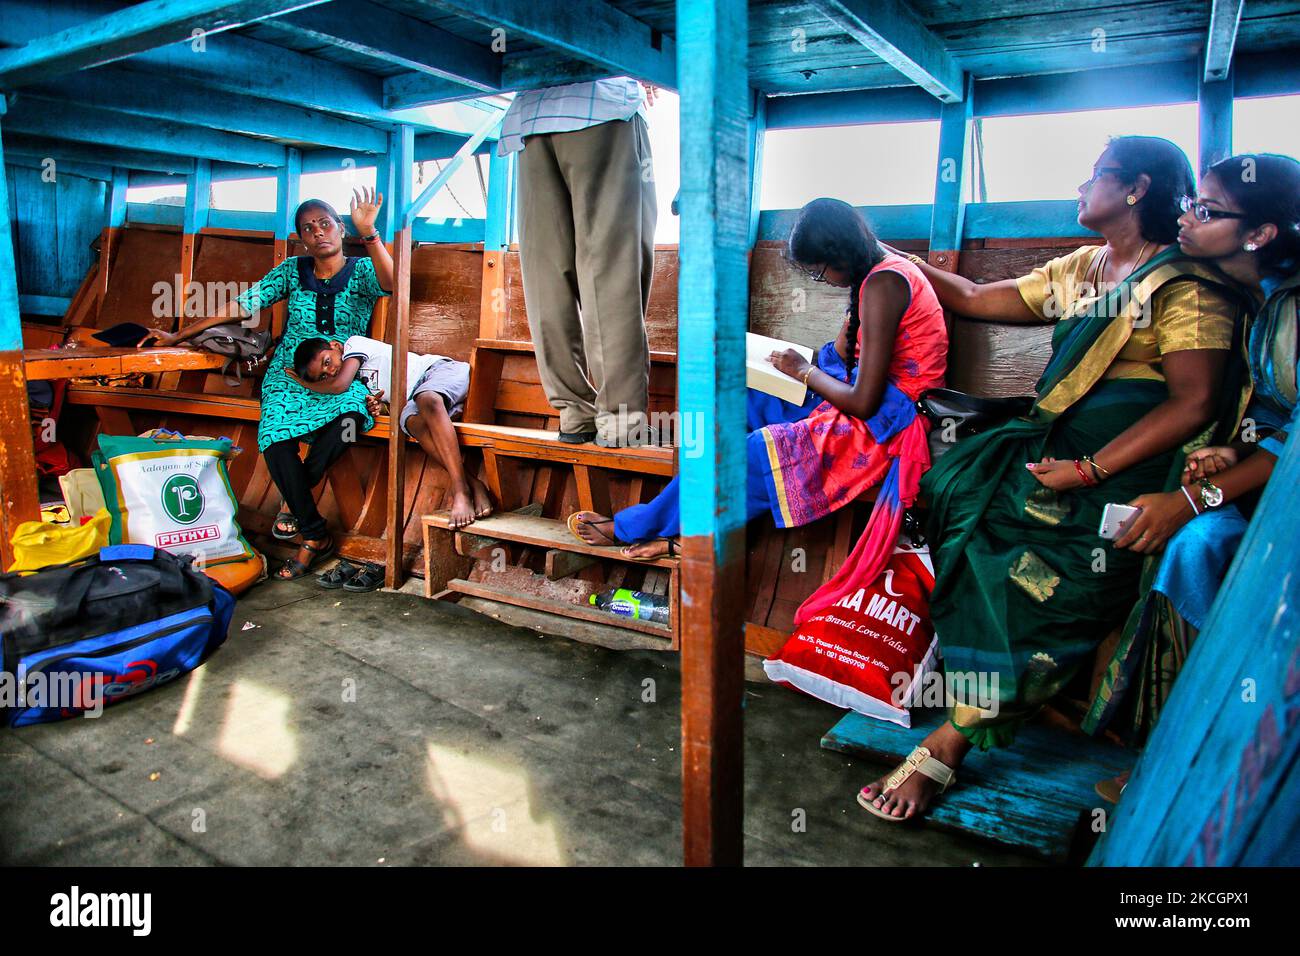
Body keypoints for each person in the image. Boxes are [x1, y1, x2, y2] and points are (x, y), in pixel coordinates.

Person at [858, 137, 1256, 822]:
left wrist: (1092, 468)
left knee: (1055, 582)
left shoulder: (1185, 285)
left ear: (1135, 189)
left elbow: (1192, 401)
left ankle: (951, 744)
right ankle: (976, 696)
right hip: (1060, 451)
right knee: (963, 504)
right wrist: (889, 256)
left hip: (1126, 469)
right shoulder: (1088, 267)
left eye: (1094, 176)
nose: (1080, 187)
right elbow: (979, 296)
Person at [569, 198, 947, 605]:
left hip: (883, 424)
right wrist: (779, 363)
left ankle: (641, 528)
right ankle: (689, 530)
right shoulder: (873, 269)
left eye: (819, 272)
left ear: (839, 254)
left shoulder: (884, 284)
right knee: (731, 403)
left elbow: (865, 402)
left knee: (750, 454)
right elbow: (843, 354)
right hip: (856, 396)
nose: (823, 280)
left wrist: (803, 371)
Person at [1082, 153, 1300, 781]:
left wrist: (1191, 501)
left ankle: (1212, 761)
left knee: (1195, 536)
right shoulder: (1259, 298)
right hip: (1273, 481)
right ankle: (1171, 746)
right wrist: (1235, 449)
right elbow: (1275, 417)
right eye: (1190, 203)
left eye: (1207, 211)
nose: (1187, 216)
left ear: (1257, 235)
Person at [140, 189, 391, 580]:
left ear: (341, 228)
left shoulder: (361, 270)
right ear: (301, 239)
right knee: (274, 436)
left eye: (325, 223)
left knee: (349, 421)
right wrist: (179, 336)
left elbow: (392, 284)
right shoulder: (292, 270)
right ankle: (315, 533)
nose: (318, 232)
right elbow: (244, 303)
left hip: (341, 371)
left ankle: (296, 508)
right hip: (290, 376)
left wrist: (370, 232)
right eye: (308, 229)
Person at [501, 77, 658, 447]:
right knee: (611, 269)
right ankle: (620, 422)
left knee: (545, 275)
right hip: (601, 105)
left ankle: (574, 412)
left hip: (531, 118)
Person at [291, 335, 491, 530]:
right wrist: (379, 406)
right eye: (323, 376)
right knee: (412, 422)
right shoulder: (357, 385)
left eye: (327, 362)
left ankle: (460, 491)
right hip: (417, 401)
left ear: (336, 346)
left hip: (440, 373)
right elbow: (387, 402)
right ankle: (473, 484)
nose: (331, 371)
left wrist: (307, 385)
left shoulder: (353, 345)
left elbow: (338, 385)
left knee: (427, 398)